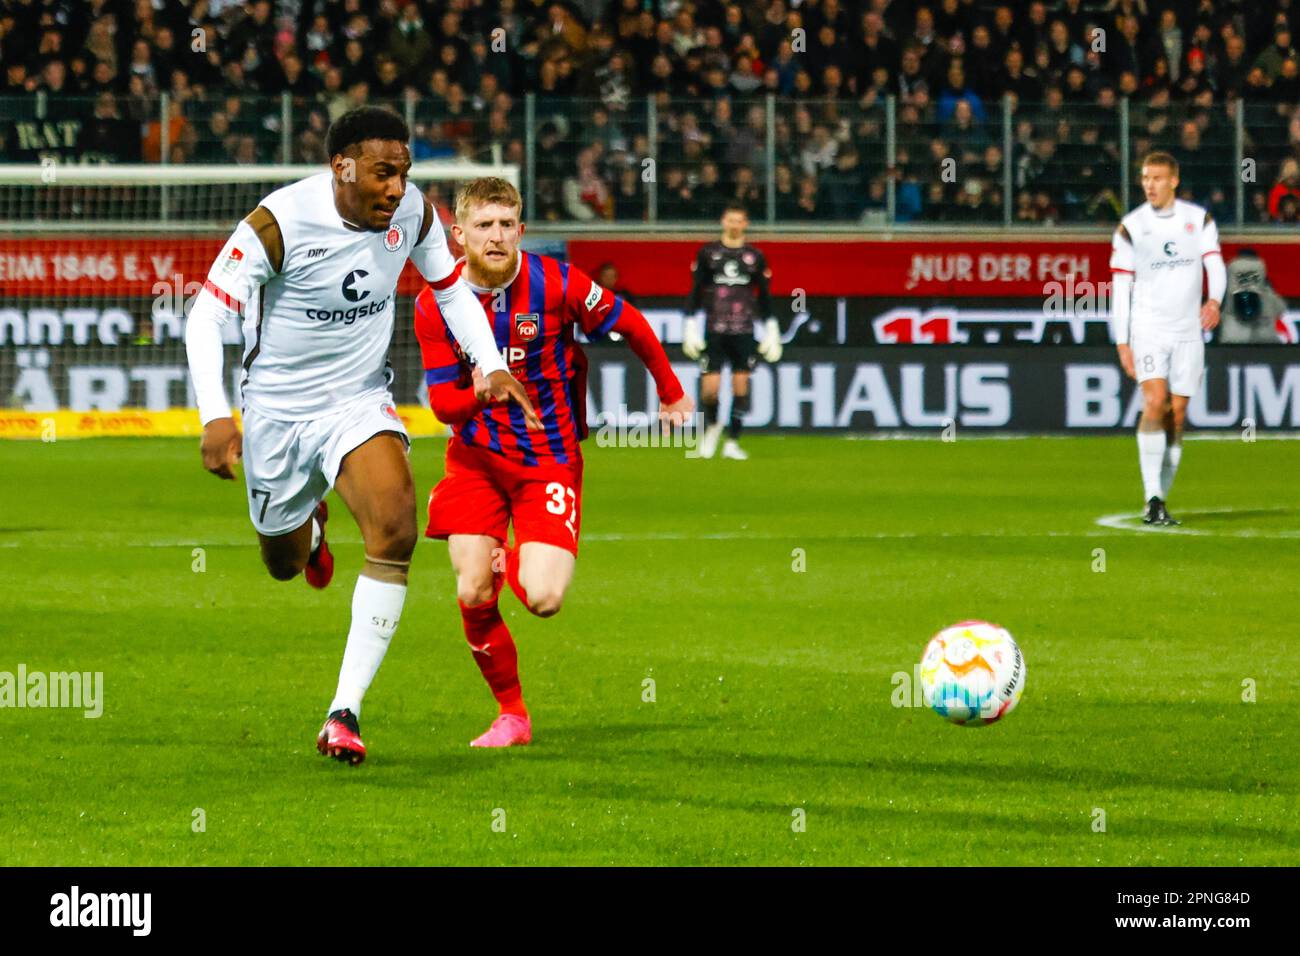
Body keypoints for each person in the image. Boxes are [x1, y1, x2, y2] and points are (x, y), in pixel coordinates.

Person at [184, 107, 539, 765]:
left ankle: (343, 713)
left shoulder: (415, 217)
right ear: (341, 168)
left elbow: (452, 288)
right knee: (283, 563)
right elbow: (206, 315)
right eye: (383, 173)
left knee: (396, 528)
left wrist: (489, 363)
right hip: (278, 416)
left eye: (403, 172)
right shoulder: (280, 221)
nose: (396, 188)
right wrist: (215, 414)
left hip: (358, 402)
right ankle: (311, 533)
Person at [414, 177, 694, 747]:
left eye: (505, 225)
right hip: (475, 461)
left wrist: (668, 389)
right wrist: (485, 394)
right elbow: (444, 404)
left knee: (543, 599)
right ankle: (512, 715)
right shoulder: (433, 303)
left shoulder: (555, 283)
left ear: (521, 229)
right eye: (483, 226)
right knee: (472, 589)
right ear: (458, 233)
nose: (495, 237)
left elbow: (631, 323)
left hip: (549, 460)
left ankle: (506, 555)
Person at [1109, 151, 1225, 526]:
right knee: (1155, 401)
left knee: (1178, 413)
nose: (1150, 185)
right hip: (1149, 329)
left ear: (1174, 181)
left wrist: (1214, 300)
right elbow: (1120, 287)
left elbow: (1215, 264)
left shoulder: (1198, 219)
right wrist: (1122, 340)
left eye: (1157, 178)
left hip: (1188, 332)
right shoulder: (1131, 226)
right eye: (1145, 178)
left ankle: (1161, 495)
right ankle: (1152, 497)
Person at [681, 203, 783, 460]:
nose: (734, 225)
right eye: (730, 220)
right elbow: (696, 291)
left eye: (739, 220)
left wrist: (771, 327)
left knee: (740, 387)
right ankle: (714, 427)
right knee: (710, 390)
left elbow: (764, 296)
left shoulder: (755, 256)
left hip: (744, 331)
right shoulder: (708, 253)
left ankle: (733, 442)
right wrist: (690, 324)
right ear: (723, 222)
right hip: (714, 330)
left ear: (745, 224)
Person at [1217, 249, 1288, 344]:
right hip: (1264, 340)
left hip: (1233, 340)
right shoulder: (1266, 289)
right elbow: (1281, 308)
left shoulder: (1227, 287)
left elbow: (1217, 312)